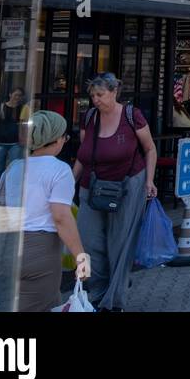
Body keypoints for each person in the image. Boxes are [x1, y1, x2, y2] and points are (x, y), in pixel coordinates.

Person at [72, 73, 157, 311]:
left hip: (127, 185)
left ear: (114, 92)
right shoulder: (89, 117)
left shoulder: (132, 116)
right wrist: (70, 181)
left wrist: (150, 181)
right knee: (87, 241)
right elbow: (83, 154)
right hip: (92, 186)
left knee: (119, 243)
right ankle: (95, 291)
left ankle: (114, 300)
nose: (95, 100)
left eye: (100, 95)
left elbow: (150, 149)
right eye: (92, 96)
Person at [1, 111, 90, 311]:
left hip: (11, 246)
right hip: (41, 249)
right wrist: (81, 257)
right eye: (65, 137)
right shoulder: (60, 170)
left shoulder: (14, 167)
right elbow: (61, 217)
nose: (65, 141)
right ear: (56, 138)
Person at [0, 87, 28, 177]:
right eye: (16, 95)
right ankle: (1, 185)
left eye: (20, 95)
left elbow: (24, 125)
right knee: (0, 167)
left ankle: (10, 184)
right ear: (10, 95)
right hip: (0, 141)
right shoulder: (0, 107)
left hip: (15, 142)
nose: (18, 97)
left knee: (14, 166)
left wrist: (24, 138)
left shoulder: (22, 108)